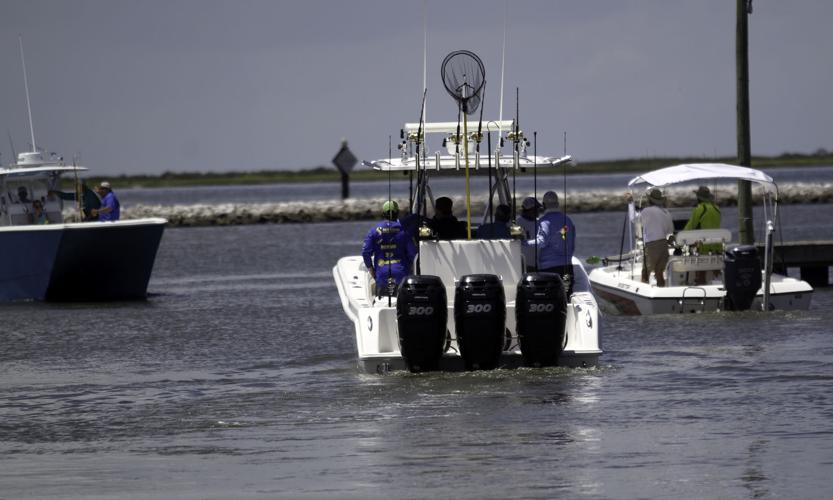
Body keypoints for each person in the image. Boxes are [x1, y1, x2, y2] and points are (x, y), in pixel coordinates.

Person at [362, 200, 418, 297]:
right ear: (397, 213)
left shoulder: (373, 231)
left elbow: (366, 252)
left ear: (383, 214)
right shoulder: (404, 230)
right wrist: (412, 268)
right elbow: (412, 253)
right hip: (401, 273)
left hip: (381, 273)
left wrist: (372, 270)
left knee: (382, 301)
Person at [527, 191, 576, 281]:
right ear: (557, 204)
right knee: (567, 293)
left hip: (549, 270)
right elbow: (572, 244)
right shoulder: (568, 220)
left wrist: (524, 242)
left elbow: (542, 242)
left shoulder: (543, 222)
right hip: (568, 268)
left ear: (544, 205)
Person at [638, 188, 674, 287]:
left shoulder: (646, 211)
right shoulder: (666, 212)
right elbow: (669, 231)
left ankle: (643, 292)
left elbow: (635, 220)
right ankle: (661, 291)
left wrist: (630, 204)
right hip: (663, 245)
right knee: (659, 273)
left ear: (650, 200)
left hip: (652, 245)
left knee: (645, 272)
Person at [683, 185, 722, 254]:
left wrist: (677, 237)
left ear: (698, 198)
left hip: (704, 249)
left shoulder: (700, 209)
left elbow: (689, 228)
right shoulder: (717, 209)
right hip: (718, 248)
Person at [518, 196, 541, 271]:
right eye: (536, 208)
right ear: (530, 209)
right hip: (522, 264)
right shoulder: (517, 223)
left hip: (537, 264)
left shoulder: (540, 223)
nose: (538, 211)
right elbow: (515, 241)